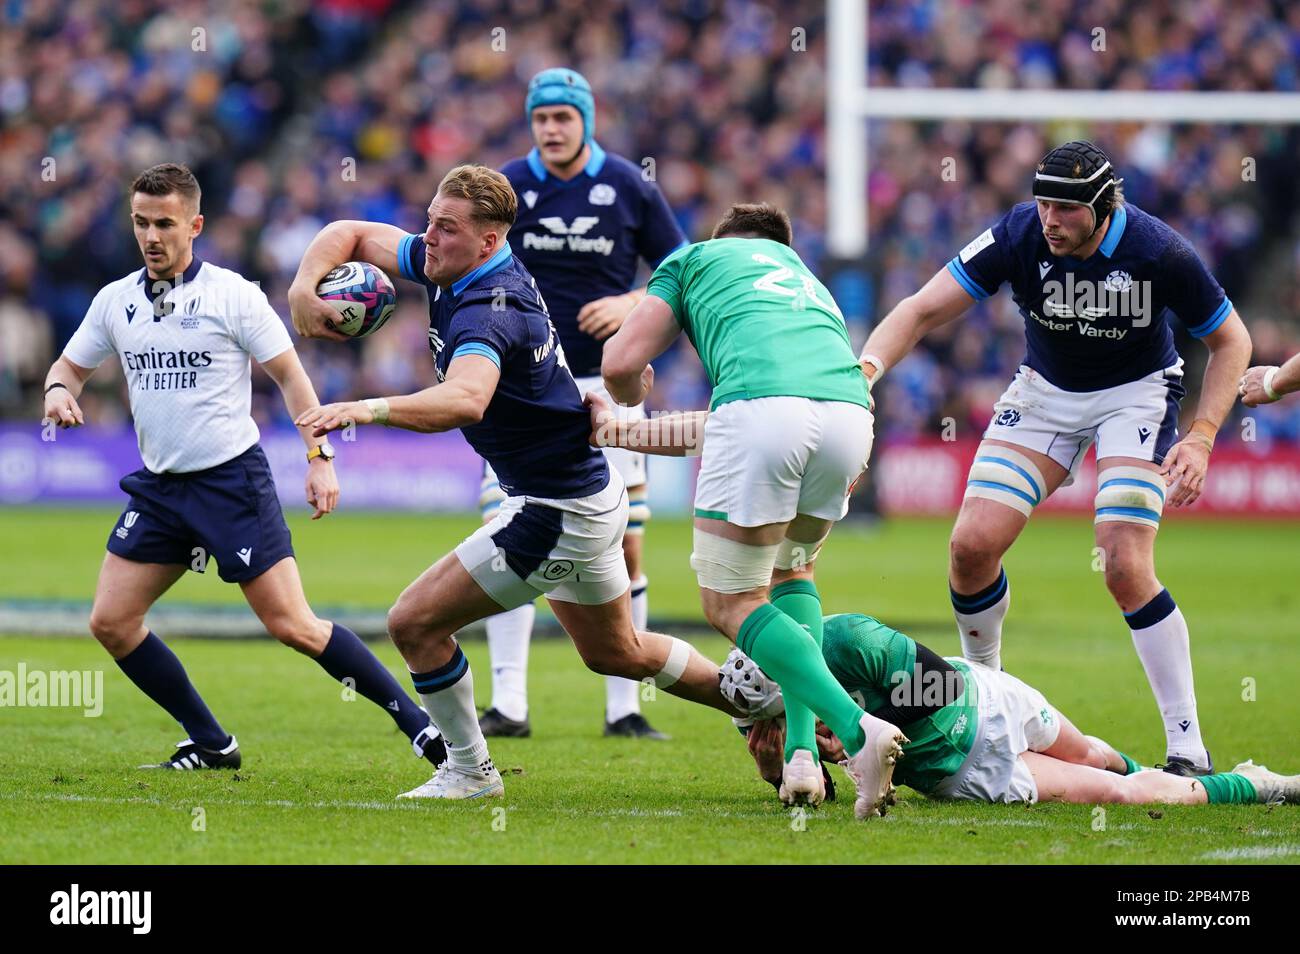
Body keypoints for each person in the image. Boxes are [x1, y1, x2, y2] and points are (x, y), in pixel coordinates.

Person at [287, 164, 757, 801]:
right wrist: (302, 290)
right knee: (618, 651)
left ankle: (469, 771)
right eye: (428, 219)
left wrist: (363, 409)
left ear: (488, 241)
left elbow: (464, 400)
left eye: (444, 228)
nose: (426, 236)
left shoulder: (489, 308)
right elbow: (349, 231)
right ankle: (756, 705)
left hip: (555, 508)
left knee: (415, 624)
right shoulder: (449, 261)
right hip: (587, 494)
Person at [858, 140, 1253, 776]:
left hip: (1137, 394)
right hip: (1044, 393)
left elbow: (1231, 339)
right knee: (970, 548)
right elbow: (921, 309)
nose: (1049, 219)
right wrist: (866, 371)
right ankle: (987, 699)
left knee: (1123, 561)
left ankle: (1188, 748)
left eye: (1065, 209)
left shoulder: (1158, 249)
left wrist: (1203, 435)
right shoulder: (1019, 233)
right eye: (1042, 203)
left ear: (1103, 206)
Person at [42, 163, 443, 771]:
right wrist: (55, 390)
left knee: (295, 626)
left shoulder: (234, 295)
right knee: (113, 622)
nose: (152, 236)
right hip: (160, 490)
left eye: (165, 224)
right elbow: (68, 368)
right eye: (141, 223)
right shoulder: (114, 302)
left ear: (195, 225)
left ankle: (421, 727)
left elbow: (290, 378)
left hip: (231, 483)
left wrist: (319, 456)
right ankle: (212, 743)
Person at [596, 202, 906, 820]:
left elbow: (618, 365)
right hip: (850, 417)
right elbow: (733, 424)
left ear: (725, 240)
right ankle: (798, 756)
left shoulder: (693, 258)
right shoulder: (807, 283)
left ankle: (856, 730)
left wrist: (629, 398)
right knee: (792, 575)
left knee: (731, 602)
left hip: (765, 415)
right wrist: (617, 434)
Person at [476, 67, 688, 741]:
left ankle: (624, 706)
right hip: (524, 386)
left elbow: (681, 266)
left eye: (562, 117)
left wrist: (631, 303)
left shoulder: (629, 184)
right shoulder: (509, 185)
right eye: (541, 118)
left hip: (609, 386)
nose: (551, 129)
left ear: (585, 120)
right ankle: (508, 704)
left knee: (626, 545)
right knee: (509, 534)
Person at [734, 613, 1299, 808]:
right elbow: (823, 798)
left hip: (985, 697)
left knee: (1096, 755)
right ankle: (1257, 785)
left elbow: (937, 690)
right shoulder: (753, 699)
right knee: (1119, 796)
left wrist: (862, 731)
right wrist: (779, 772)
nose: (777, 731)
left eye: (779, 720)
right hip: (966, 766)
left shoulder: (852, 639)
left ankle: (1148, 767)